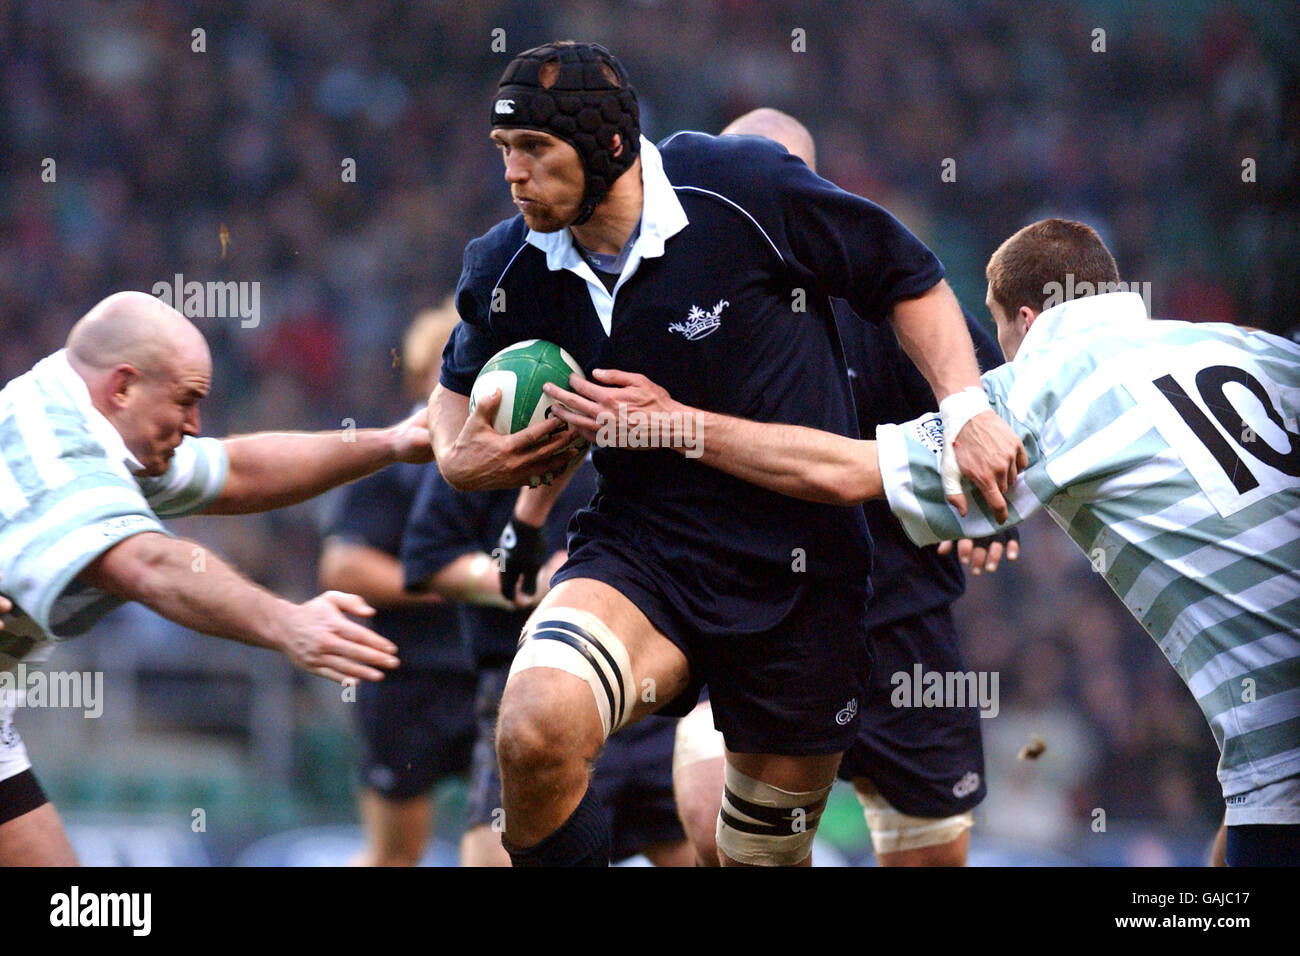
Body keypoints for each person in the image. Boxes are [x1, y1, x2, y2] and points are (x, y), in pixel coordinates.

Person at [429, 40, 1025, 866]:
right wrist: (466, 463)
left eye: (534, 150)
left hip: (807, 579)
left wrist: (964, 415)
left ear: (607, 147)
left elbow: (911, 276)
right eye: (504, 152)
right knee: (534, 728)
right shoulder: (509, 266)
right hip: (644, 555)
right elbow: (452, 394)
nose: (513, 174)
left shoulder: (744, 189)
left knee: (753, 859)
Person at [548, 218, 1300, 867]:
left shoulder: (1041, 381)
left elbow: (845, 471)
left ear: (1024, 320)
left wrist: (675, 421)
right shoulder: (1259, 349)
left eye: (997, 333)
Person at [671, 109, 1014, 867]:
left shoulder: (902, 302)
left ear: (813, 189)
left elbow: (995, 416)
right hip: (751, 621)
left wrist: (998, 509)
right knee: (712, 827)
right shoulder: (685, 311)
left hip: (902, 632)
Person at [0, 290, 432, 865]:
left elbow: (236, 472)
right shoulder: (57, 449)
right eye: (186, 401)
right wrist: (289, 623)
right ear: (123, 386)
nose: (195, 425)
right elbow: (148, 564)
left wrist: (392, 442)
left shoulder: (94, 423)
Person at [401, 455, 693, 867]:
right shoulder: (498, 419)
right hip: (528, 689)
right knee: (498, 856)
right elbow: (430, 559)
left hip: (655, 694)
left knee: (714, 841)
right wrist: (531, 582)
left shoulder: (668, 415)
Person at [318, 300, 477, 866]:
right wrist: (456, 582)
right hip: (405, 681)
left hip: (493, 681)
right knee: (395, 856)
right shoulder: (395, 461)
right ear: (419, 377)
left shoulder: (514, 455)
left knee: (508, 844)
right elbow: (343, 567)